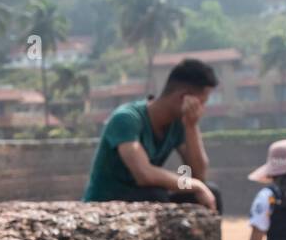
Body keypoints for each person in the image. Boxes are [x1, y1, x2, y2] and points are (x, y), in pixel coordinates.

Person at [82, 58, 221, 213]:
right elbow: (144, 174)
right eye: (201, 103)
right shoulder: (127, 118)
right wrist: (195, 185)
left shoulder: (179, 124)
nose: (202, 109)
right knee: (156, 196)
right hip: (107, 201)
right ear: (183, 98)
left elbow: (198, 174)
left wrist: (191, 126)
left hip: (144, 195)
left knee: (210, 193)